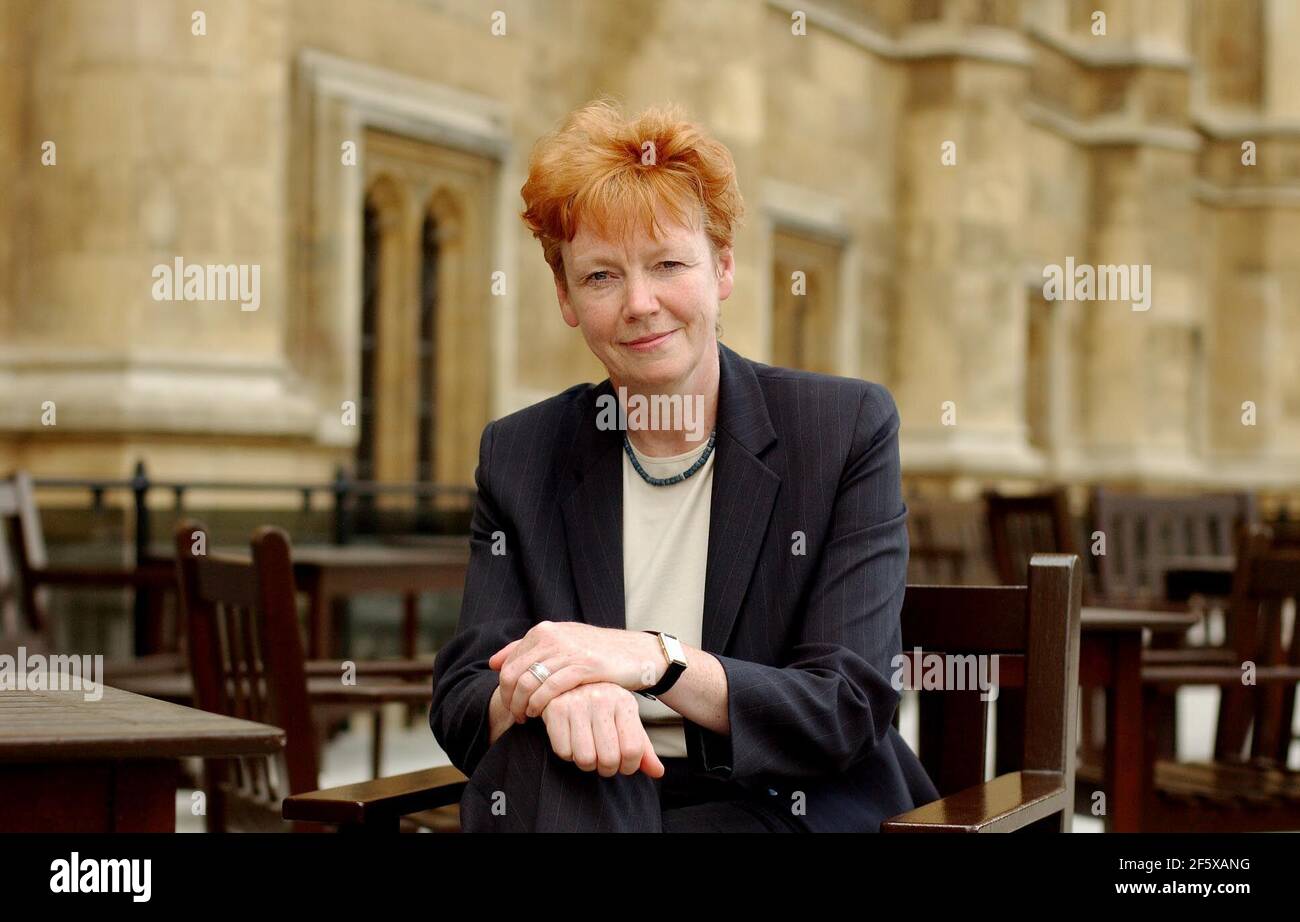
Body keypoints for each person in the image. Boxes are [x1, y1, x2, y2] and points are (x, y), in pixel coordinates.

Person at [430, 98, 938, 832]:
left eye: (668, 264)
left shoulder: (841, 430)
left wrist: (651, 660)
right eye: (601, 276)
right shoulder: (523, 454)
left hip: (782, 804)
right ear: (566, 297)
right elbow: (464, 697)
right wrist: (557, 690)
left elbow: (846, 705)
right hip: (587, 795)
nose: (641, 304)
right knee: (560, 760)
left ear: (723, 268)